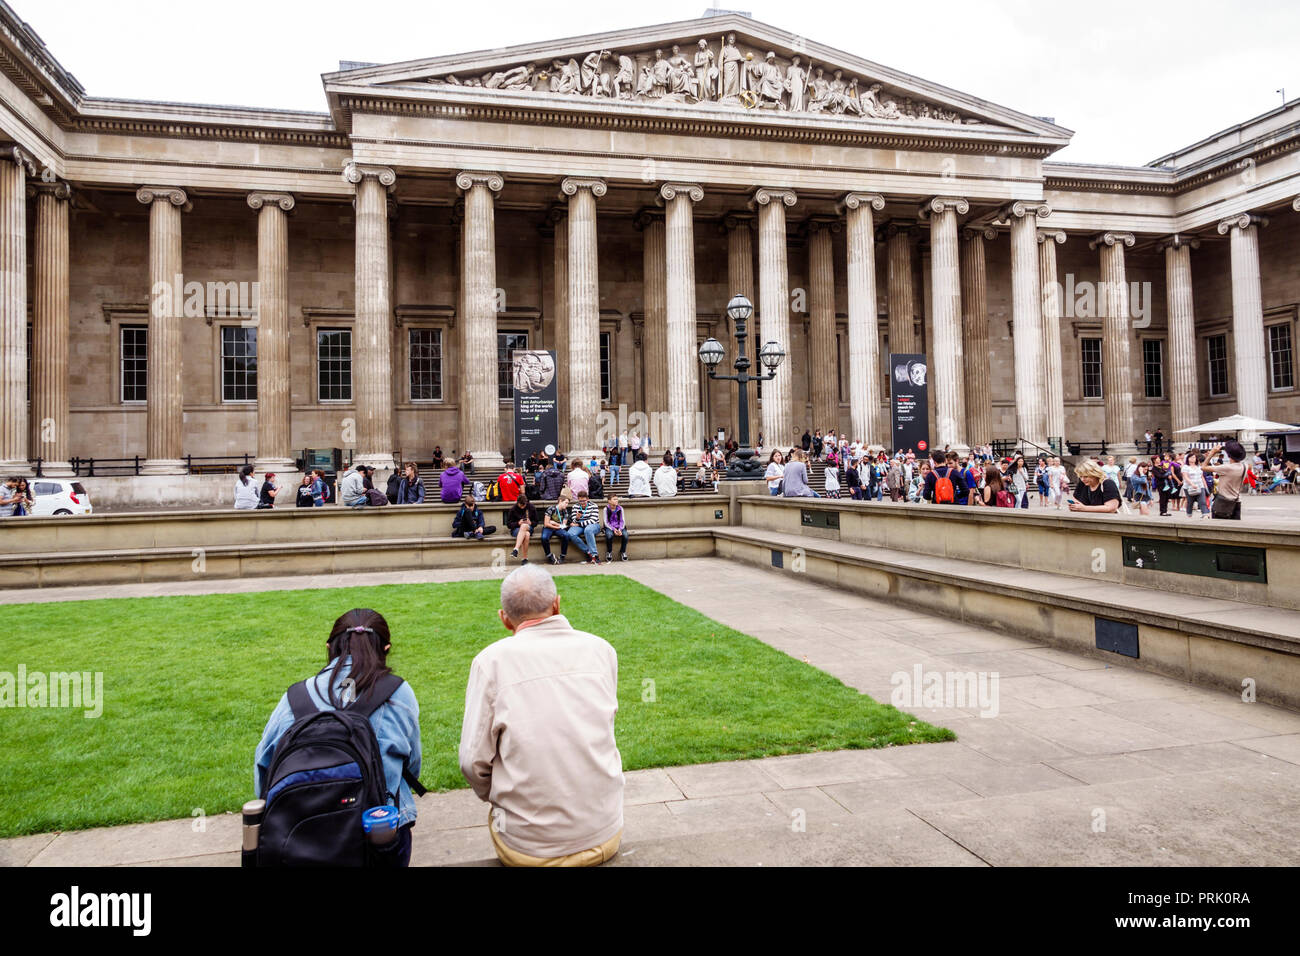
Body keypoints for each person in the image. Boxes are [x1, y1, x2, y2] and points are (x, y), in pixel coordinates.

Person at [459, 565, 622, 867]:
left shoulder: (490, 662)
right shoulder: (602, 650)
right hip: (605, 833)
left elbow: (472, 762)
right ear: (557, 604)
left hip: (530, 851)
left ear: (504, 619)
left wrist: (497, 795)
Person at [255, 608, 421, 867]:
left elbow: (264, 770)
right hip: (376, 836)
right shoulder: (399, 693)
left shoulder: (295, 698)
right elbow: (412, 765)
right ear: (386, 648)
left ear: (329, 647)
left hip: (297, 836)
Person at [1203, 441, 1250, 520]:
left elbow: (1203, 467)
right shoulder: (1245, 466)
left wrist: (1212, 453)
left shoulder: (1227, 468)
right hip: (1236, 501)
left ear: (1228, 455)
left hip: (1223, 502)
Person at [566, 489, 603, 564]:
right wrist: (577, 518)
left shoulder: (594, 506)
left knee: (588, 530)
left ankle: (595, 555)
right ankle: (588, 552)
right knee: (570, 534)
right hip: (580, 526)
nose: (582, 503)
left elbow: (593, 520)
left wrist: (579, 524)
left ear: (588, 499)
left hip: (593, 525)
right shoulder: (575, 506)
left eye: (584, 501)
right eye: (580, 501)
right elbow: (574, 521)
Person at [506, 492, 539, 564]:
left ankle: (516, 549)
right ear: (517, 503)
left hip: (529, 527)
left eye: (524, 505)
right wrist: (518, 523)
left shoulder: (531, 507)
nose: (522, 507)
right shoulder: (513, 509)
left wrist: (530, 523)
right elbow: (508, 524)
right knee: (526, 534)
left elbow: (536, 522)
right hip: (516, 530)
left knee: (524, 527)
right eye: (521, 505)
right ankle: (525, 558)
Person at [541, 490, 572, 564]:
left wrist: (554, 523)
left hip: (557, 528)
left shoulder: (565, 511)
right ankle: (549, 556)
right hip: (549, 528)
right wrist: (556, 525)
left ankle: (562, 556)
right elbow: (546, 524)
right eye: (566, 503)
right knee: (544, 538)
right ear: (560, 501)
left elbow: (563, 525)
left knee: (566, 535)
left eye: (568, 503)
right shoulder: (551, 509)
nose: (567, 505)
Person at [1181, 452, 1210, 518]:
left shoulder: (1198, 467)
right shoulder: (1185, 467)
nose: (1193, 459)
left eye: (1194, 457)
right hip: (1189, 487)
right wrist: (1192, 484)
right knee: (1190, 502)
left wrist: (1205, 486)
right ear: (1188, 459)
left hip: (1200, 486)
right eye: (1191, 457)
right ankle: (1189, 514)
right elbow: (1185, 477)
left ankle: (1205, 514)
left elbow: (1202, 477)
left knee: (1202, 501)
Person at [602, 494, 628, 562]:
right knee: (609, 535)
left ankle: (623, 552)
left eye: (617, 499)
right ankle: (609, 552)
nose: (617, 500)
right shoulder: (606, 509)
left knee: (625, 535)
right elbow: (606, 522)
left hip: (620, 527)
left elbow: (622, 520)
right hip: (609, 527)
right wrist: (613, 529)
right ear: (609, 501)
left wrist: (620, 529)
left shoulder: (620, 508)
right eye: (614, 499)